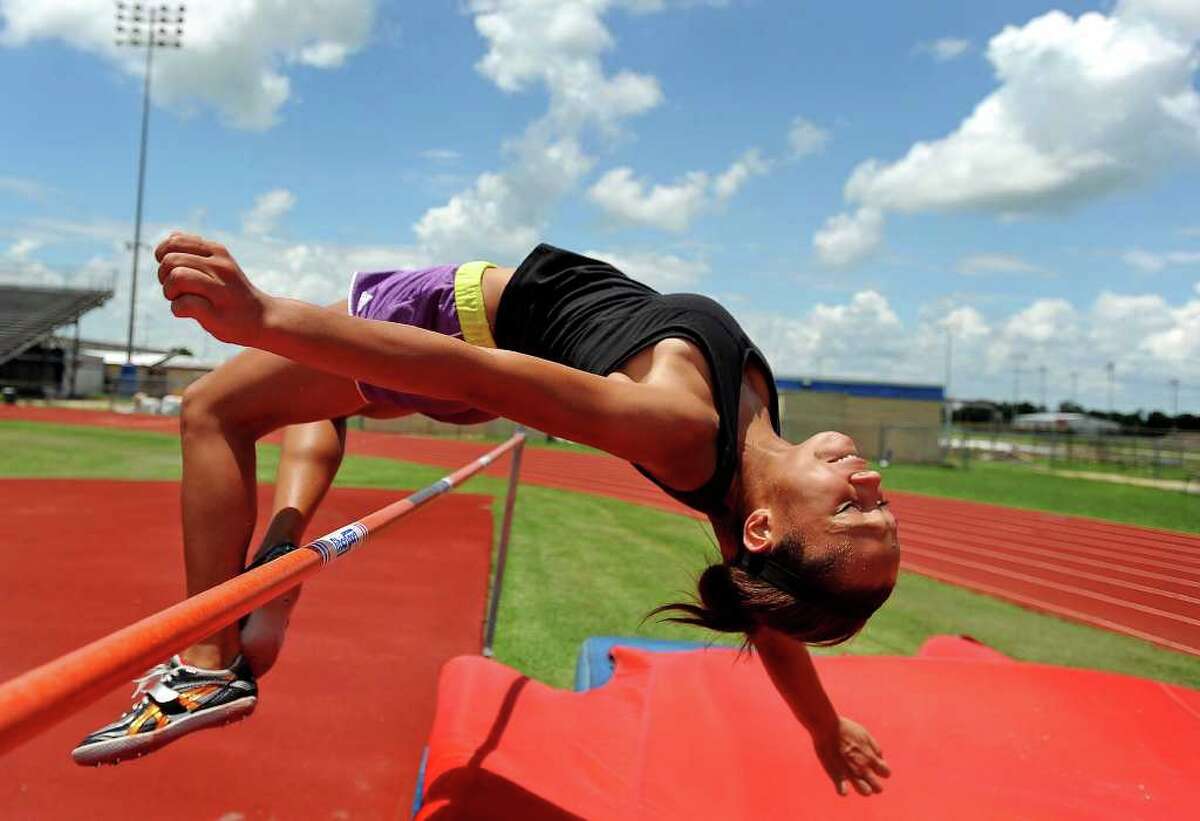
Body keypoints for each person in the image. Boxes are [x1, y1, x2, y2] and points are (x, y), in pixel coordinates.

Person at [73, 236, 899, 797]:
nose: (865, 482)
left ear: (765, 531)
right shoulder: (743, 481)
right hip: (481, 335)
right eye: (880, 506)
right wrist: (824, 729)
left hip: (448, 317)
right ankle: (277, 570)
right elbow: (773, 616)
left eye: (850, 513)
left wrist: (265, 316)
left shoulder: (685, 429)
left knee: (211, 411)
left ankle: (207, 658)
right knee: (315, 408)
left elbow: (480, 378)